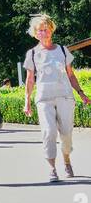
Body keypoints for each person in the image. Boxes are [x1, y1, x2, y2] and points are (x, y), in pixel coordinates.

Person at [24, 13, 89, 182]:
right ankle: (52, 168)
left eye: (46, 30)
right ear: (35, 33)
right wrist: (27, 101)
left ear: (51, 30)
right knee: (48, 132)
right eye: (40, 30)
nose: (43, 33)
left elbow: (71, 75)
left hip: (65, 96)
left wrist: (81, 93)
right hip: (44, 98)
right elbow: (30, 79)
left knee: (66, 134)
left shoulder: (62, 50)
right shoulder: (32, 54)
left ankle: (67, 160)